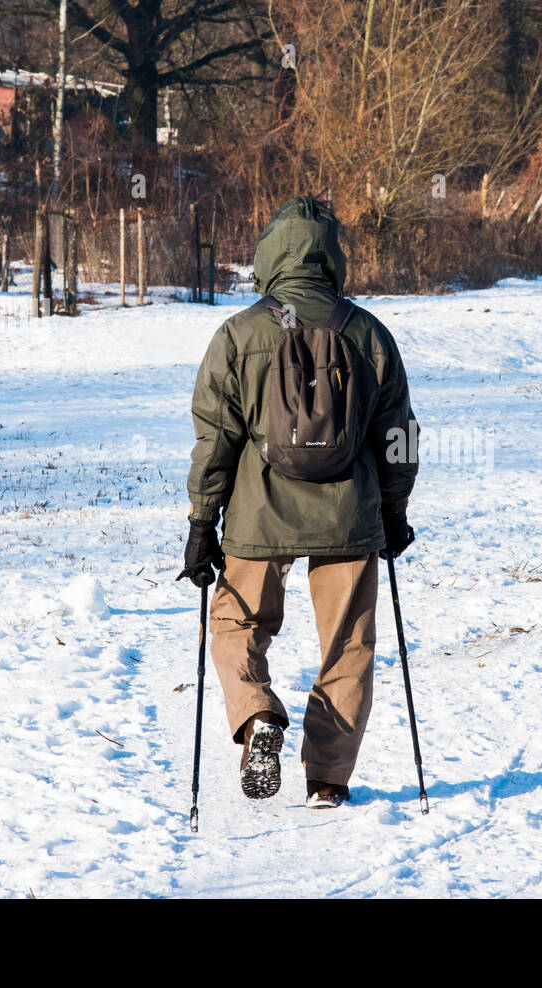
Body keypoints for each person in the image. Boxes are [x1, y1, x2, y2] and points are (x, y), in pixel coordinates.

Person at [180, 195, 418, 809]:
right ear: (332, 256)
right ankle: (329, 779)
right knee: (348, 644)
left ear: (270, 253)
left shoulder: (237, 334)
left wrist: (203, 523)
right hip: (350, 517)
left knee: (236, 624)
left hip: (258, 516)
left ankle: (258, 714)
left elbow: (216, 439)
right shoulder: (368, 333)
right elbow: (399, 433)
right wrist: (394, 511)